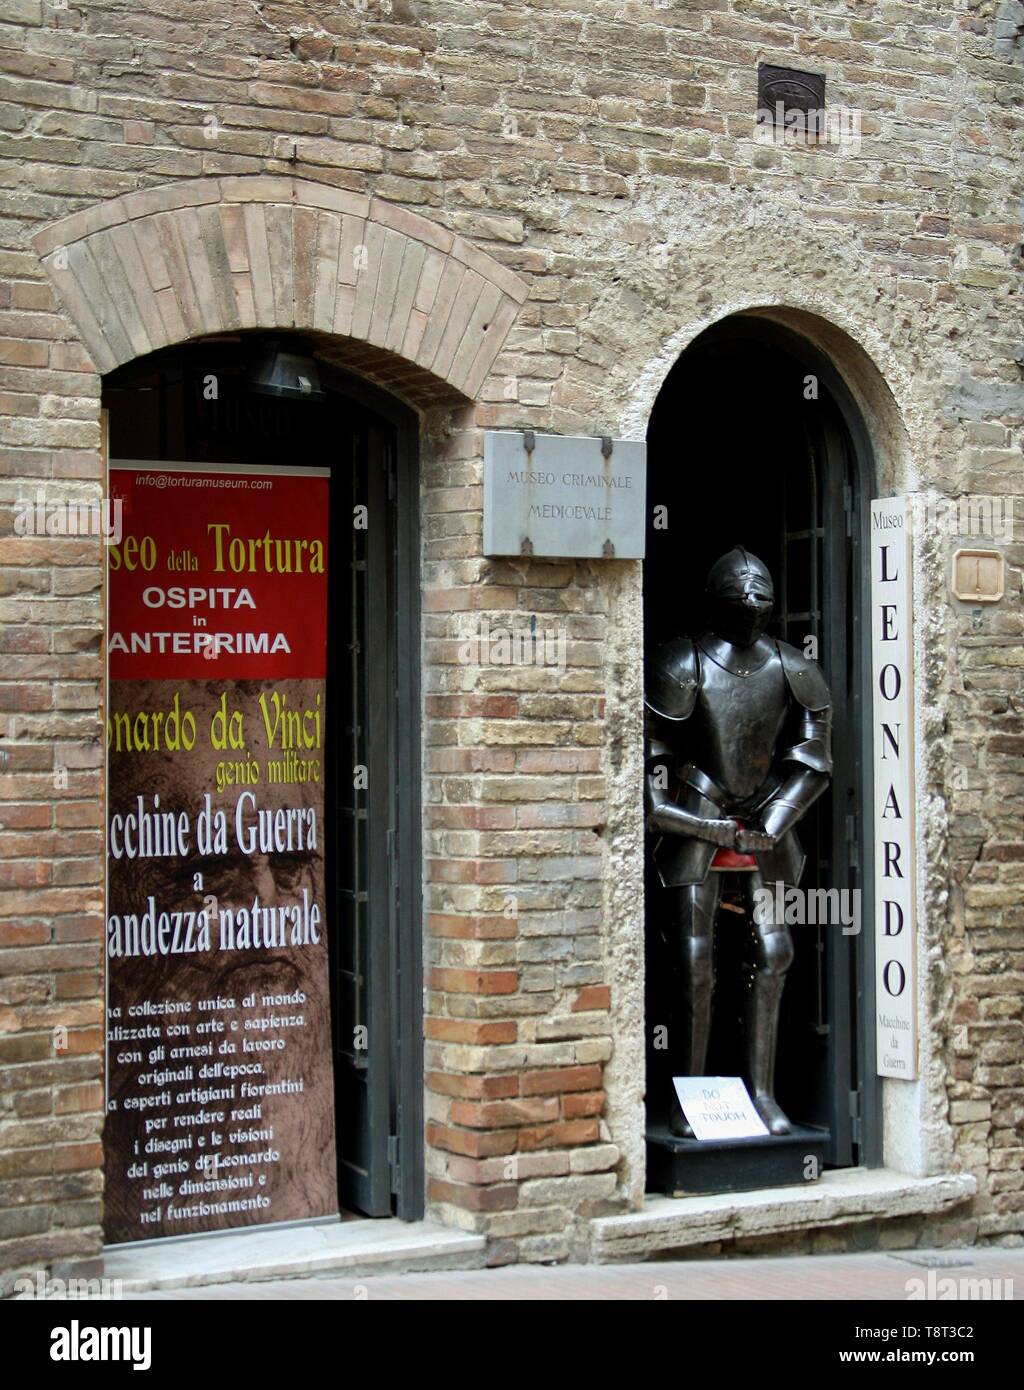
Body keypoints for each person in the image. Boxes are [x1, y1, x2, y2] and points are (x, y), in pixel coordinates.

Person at [645, 547, 832, 1136]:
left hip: (768, 829)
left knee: (776, 954)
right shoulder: (684, 663)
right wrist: (704, 825)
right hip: (700, 814)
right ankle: (690, 1095)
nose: (751, 608)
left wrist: (773, 821)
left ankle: (765, 1094)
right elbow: (651, 771)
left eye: (761, 599)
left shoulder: (792, 666)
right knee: (695, 961)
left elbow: (812, 760)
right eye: (740, 598)